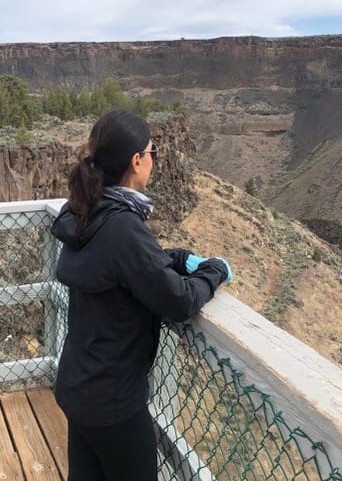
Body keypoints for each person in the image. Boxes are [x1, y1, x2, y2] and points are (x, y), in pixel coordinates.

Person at [49, 110, 230, 480]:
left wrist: (174, 258)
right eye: (152, 152)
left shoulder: (87, 211)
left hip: (77, 385)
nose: (154, 159)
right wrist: (214, 272)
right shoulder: (122, 226)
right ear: (136, 161)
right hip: (112, 402)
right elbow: (178, 301)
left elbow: (124, 266)